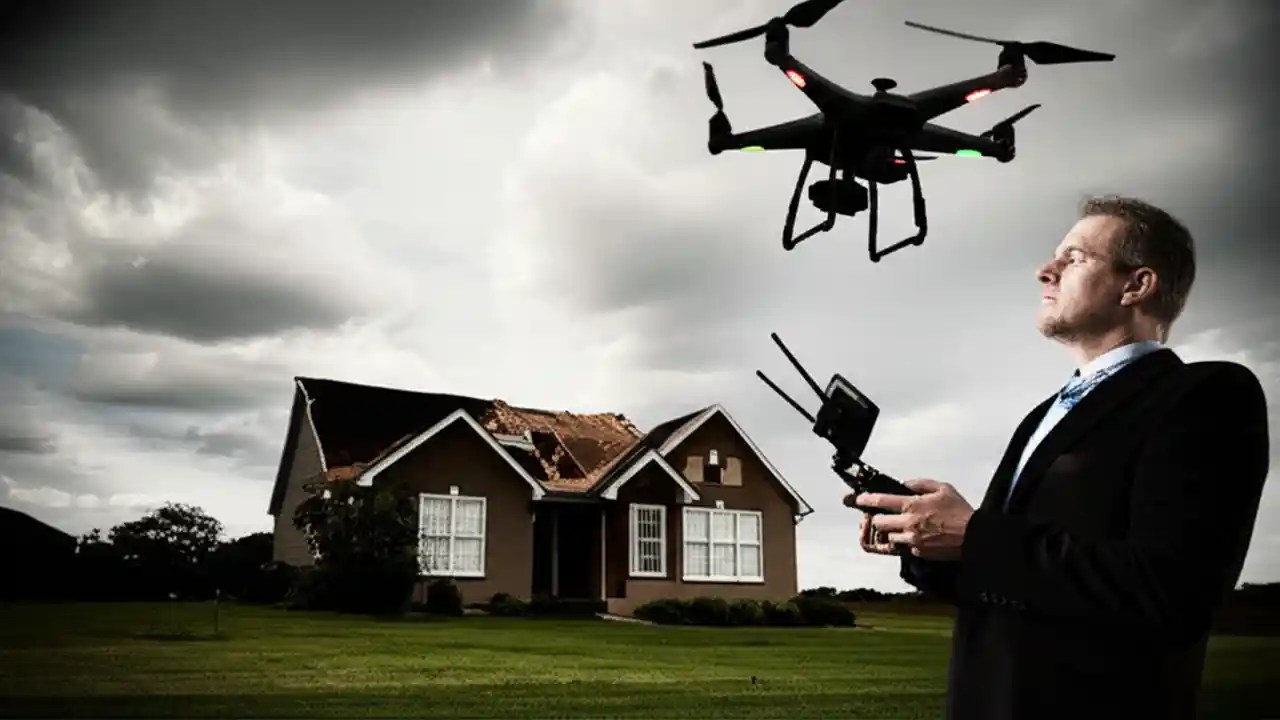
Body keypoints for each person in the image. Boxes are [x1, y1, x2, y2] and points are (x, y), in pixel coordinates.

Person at [850, 195, 1270, 720]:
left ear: (1137, 285)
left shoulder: (1207, 394)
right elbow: (1010, 582)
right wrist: (921, 541)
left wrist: (975, 535)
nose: (1044, 271)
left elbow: (1172, 592)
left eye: (1074, 258)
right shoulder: (1042, 415)